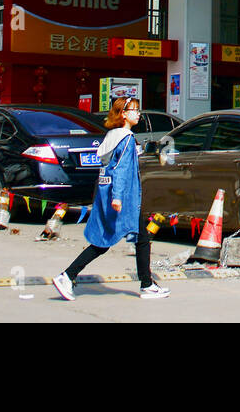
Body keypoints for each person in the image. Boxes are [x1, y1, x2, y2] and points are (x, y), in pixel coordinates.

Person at [53, 97, 169, 300]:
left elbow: (110, 167)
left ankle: (146, 283)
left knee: (118, 240)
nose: (138, 113)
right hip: (122, 198)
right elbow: (121, 170)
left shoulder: (112, 136)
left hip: (107, 194)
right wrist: (118, 198)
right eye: (134, 110)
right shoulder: (125, 138)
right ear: (123, 114)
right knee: (128, 240)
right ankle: (145, 285)